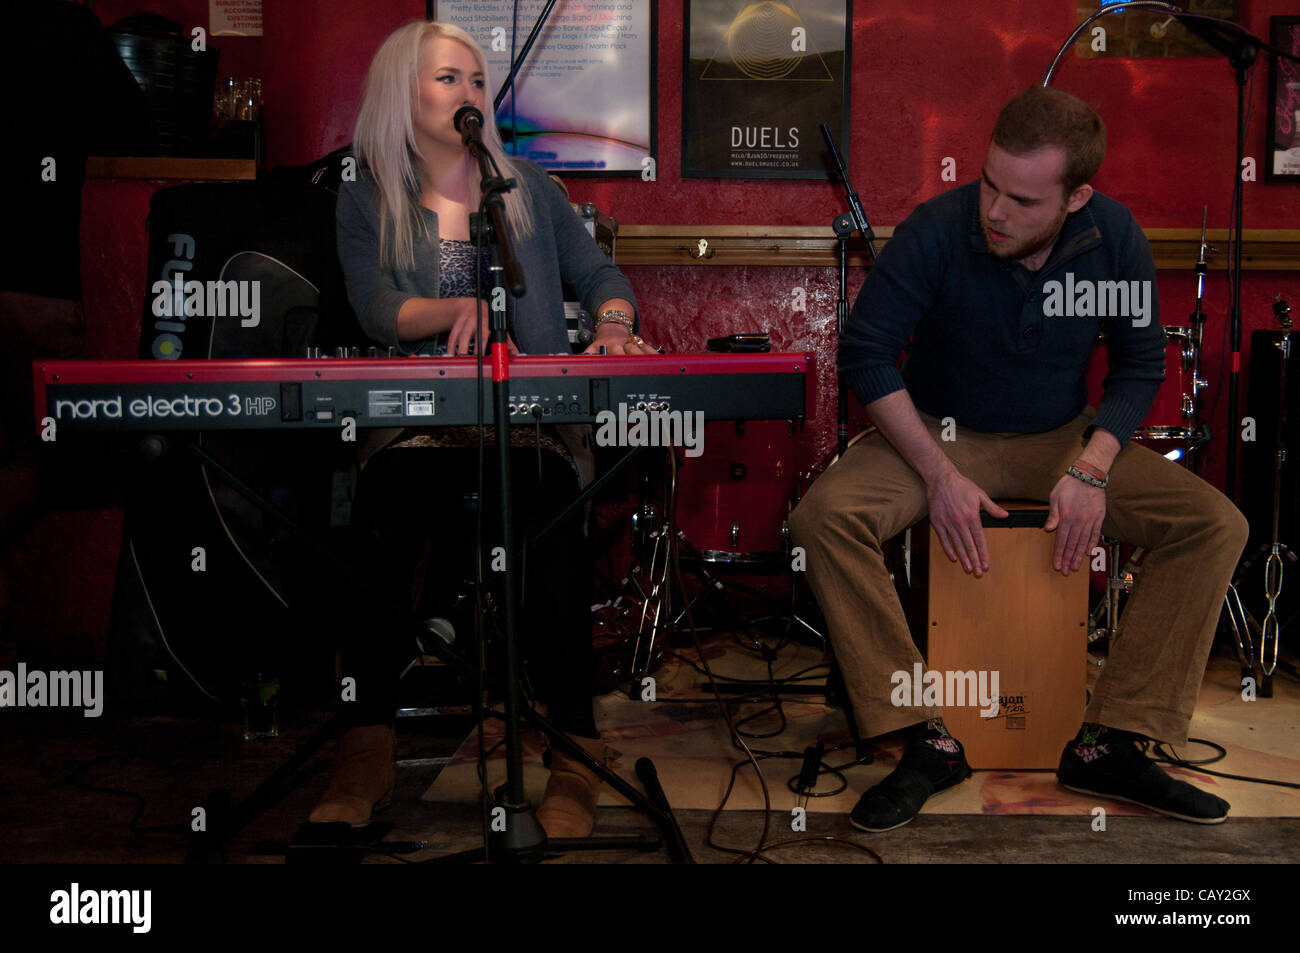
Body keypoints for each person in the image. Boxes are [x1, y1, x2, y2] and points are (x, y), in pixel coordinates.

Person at [790, 85, 1248, 832]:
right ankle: (923, 736)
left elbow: (1139, 366)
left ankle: (1111, 741)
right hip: (935, 436)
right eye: (990, 184)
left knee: (1215, 524)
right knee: (823, 518)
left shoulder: (1118, 239)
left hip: (1060, 439)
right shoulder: (936, 229)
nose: (996, 211)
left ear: (1077, 198)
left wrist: (1093, 466)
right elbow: (867, 353)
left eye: (1024, 200)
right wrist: (939, 475)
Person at [312, 20, 657, 836]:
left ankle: (573, 751)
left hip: (528, 428)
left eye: (475, 78)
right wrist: (460, 307)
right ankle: (365, 750)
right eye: (446, 79)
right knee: (378, 524)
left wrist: (612, 322)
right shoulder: (366, 195)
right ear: (402, 91)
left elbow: (601, 272)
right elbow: (375, 308)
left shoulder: (528, 190)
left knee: (556, 532)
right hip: (419, 433)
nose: (468, 92)